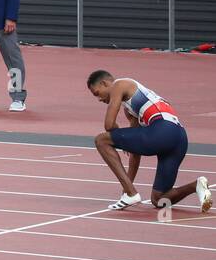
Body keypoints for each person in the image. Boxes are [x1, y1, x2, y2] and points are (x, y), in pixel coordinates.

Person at [87, 71, 210, 212]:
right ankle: (196, 186)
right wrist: (126, 189)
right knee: (159, 199)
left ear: (104, 83)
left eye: (97, 93)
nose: (99, 99)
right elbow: (135, 154)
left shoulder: (119, 84)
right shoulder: (130, 109)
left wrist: (117, 135)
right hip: (179, 138)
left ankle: (131, 194)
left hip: (164, 130)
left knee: (101, 140)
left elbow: (108, 125)